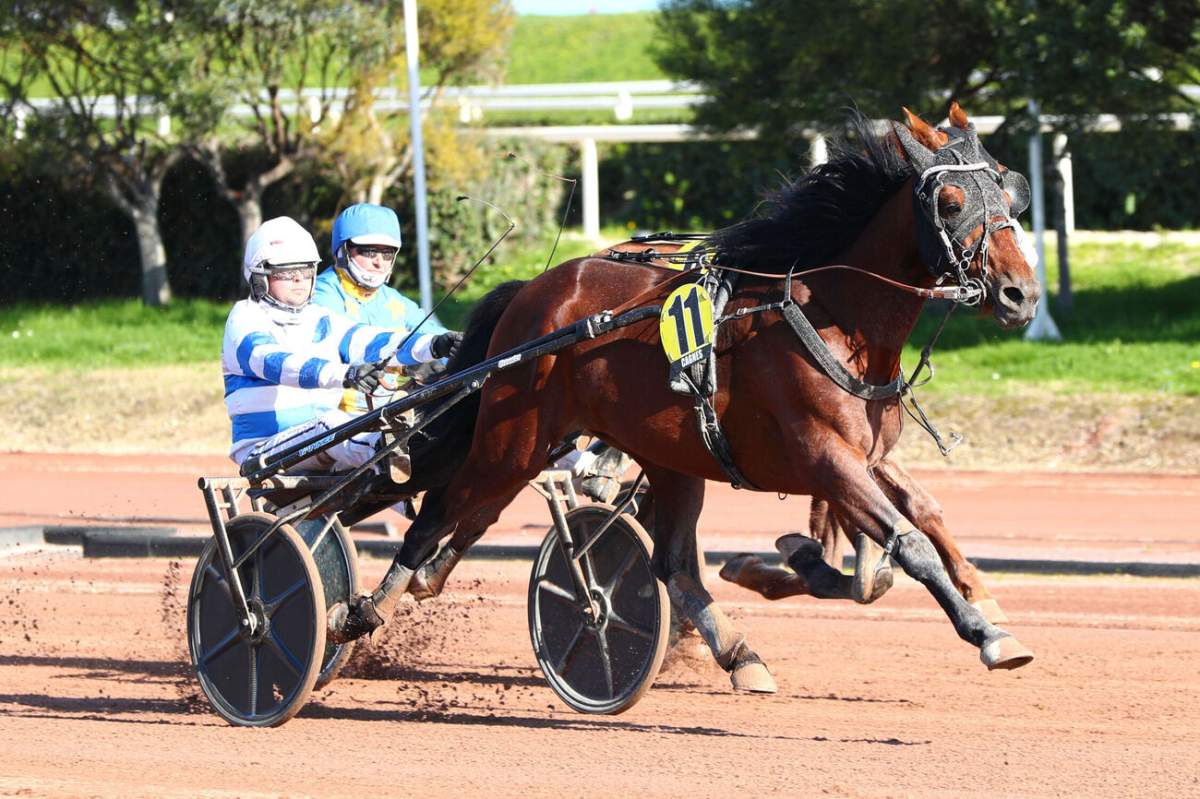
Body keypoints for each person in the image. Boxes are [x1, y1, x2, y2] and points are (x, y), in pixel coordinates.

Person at [222, 216, 461, 471]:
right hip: (264, 447)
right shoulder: (244, 319)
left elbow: (371, 340)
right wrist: (347, 374)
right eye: (287, 273)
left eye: (305, 271)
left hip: (321, 442)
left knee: (341, 430)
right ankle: (389, 451)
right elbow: (277, 363)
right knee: (334, 425)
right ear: (260, 277)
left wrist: (434, 345)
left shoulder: (317, 317)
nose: (299, 280)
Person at [313, 203, 460, 414]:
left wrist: (457, 347)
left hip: (389, 414)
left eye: (387, 254)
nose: (379, 263)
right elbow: (345, 346)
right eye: (369, 252)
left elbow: (432, 332)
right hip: (335, 421)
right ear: (343, 250)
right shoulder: (321, 295)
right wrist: (408, 363)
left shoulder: (394, 300)